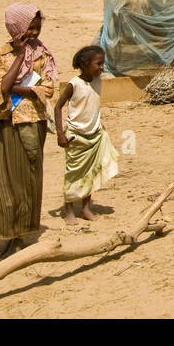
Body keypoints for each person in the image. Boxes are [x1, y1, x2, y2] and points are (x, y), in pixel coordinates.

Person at [0, 3, 58, 261]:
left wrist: (20, 88)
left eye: (37, 28)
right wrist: (19, 57)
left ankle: (23, 233)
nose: (34, 33)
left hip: (33, 122)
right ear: (16, 27)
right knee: (8, 183)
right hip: (6, 122)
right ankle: (5, 235)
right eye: (29, 27)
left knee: (30, 179)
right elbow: (2, 88)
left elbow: (48, 89)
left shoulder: (43, 55)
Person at [54, 46, 120, 222]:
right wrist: (60, 134)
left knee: (90, 173)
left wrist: (98, 123)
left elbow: (92, 105)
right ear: (85, 64)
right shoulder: (74, 84)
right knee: (73, 173)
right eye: (98, 64)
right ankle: (69, 209)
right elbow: (57, 106)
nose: (101, 67)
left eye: (102, 64)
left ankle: (85, 208)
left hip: (94, 134)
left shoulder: (98, 81)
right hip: (75, 136)